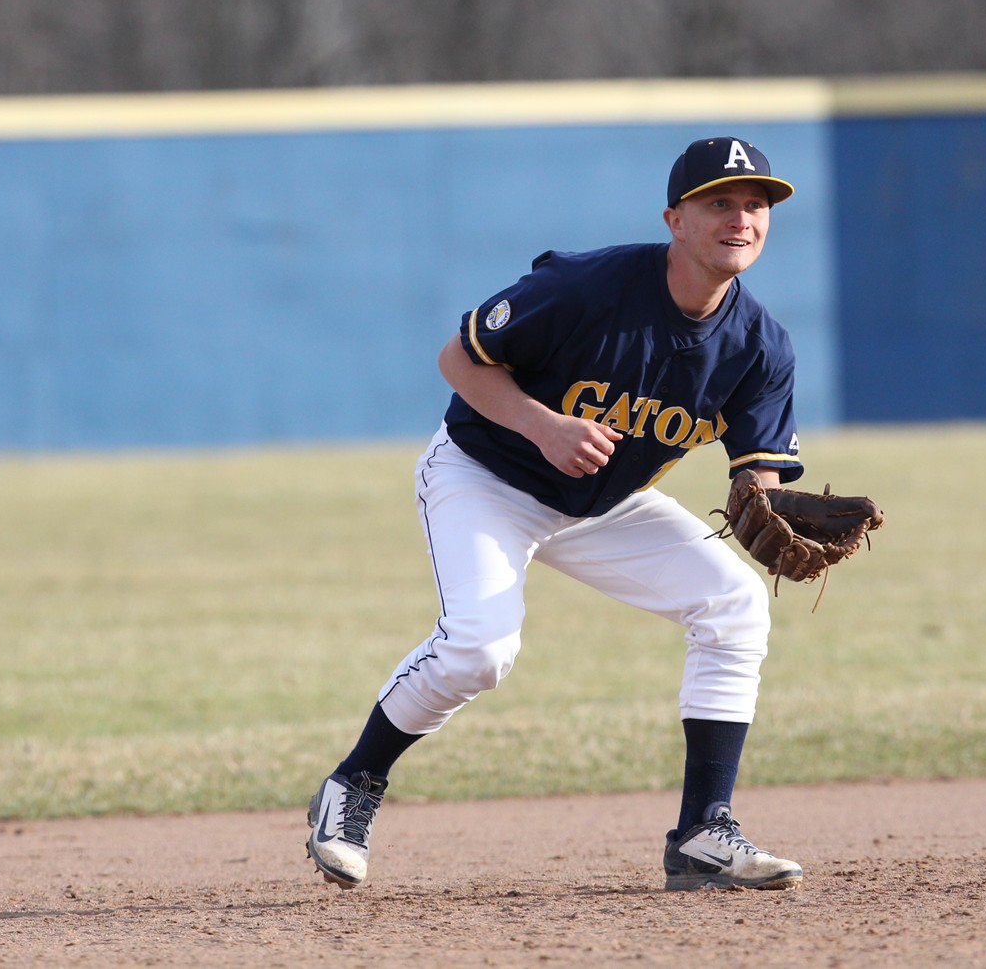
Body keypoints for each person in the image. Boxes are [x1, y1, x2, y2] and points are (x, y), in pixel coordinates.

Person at [306, 136, 807, 892]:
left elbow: (757, 476)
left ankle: (704, 829)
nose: (742, 219)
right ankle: (352, 785)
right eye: (720, 203)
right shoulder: (586, 287)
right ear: (675, 218)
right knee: (480, 649)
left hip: (604, 503)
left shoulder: (760, 345)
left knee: (734, 603)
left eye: (756, 204)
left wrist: (768, 512)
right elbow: (459, 358)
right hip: (487, 475)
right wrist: (544, 424)